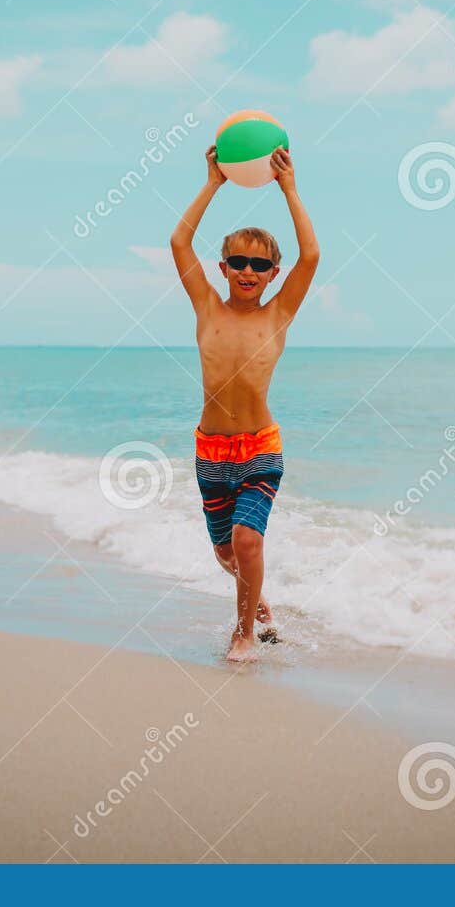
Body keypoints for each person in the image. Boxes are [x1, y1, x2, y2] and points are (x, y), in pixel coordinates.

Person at [169, 143, 319, 662]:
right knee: (226, 552)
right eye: (238, 262)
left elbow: (313, 256)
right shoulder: (207, 305)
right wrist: (213, 182)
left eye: (260, 264)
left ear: (274, 272)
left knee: (247, 541)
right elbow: (178, 240)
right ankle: (261, 605)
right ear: (224, 266)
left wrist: (289, 190)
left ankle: (244, 634)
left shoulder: (277, 315)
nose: (248, 271)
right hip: (210, 452)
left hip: (259, 449)